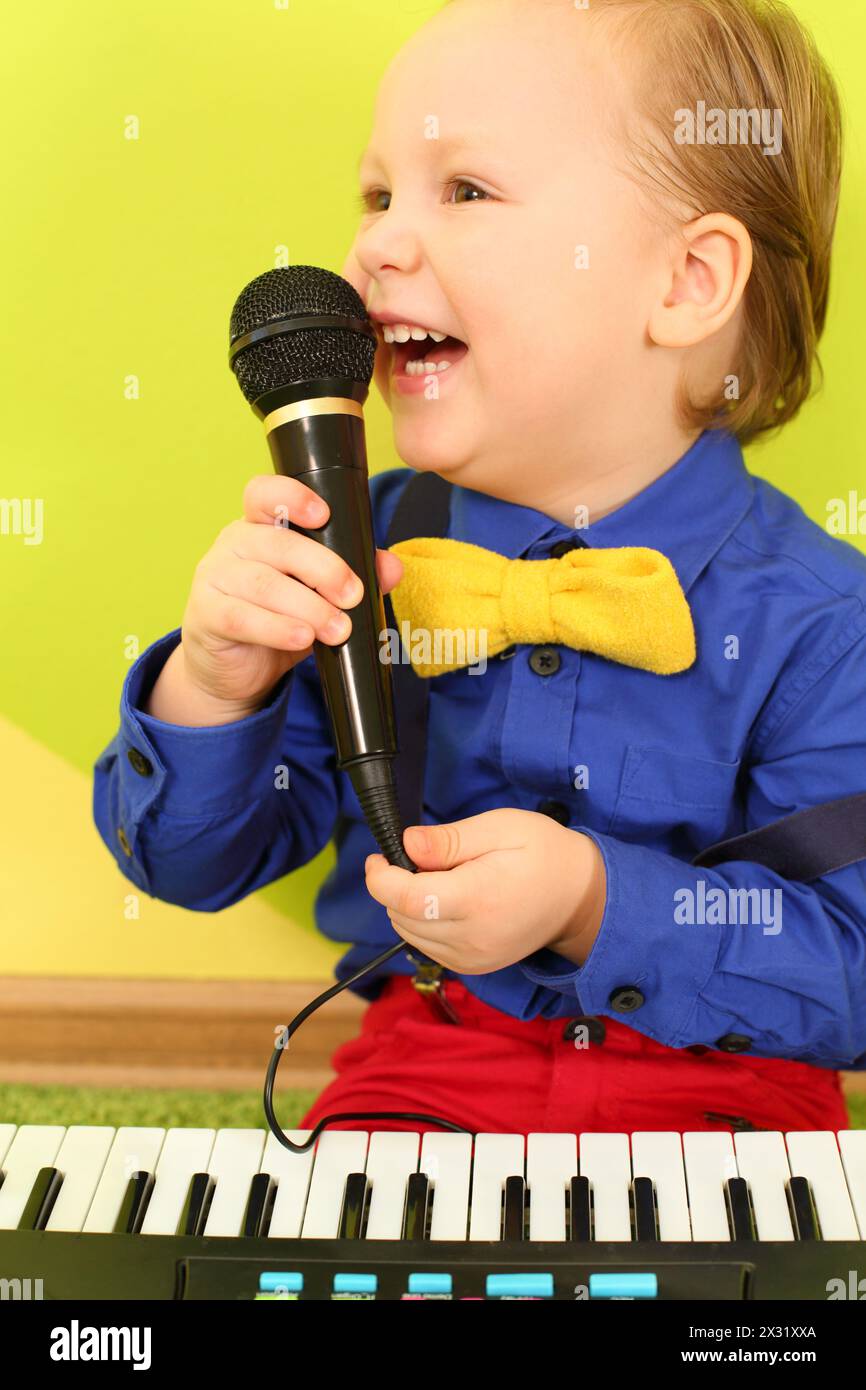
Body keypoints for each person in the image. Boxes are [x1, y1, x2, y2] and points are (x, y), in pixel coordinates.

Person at [94, 0, 866, 1136]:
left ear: (686, 281)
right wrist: (214, 689)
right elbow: (191, 864)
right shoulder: (351, 554)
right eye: (375, 193)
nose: (374, 247)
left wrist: (595, 901)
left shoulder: (822, 618)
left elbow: (848, 972)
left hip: (725, 1110)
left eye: (463, 190)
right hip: (418, 1078)